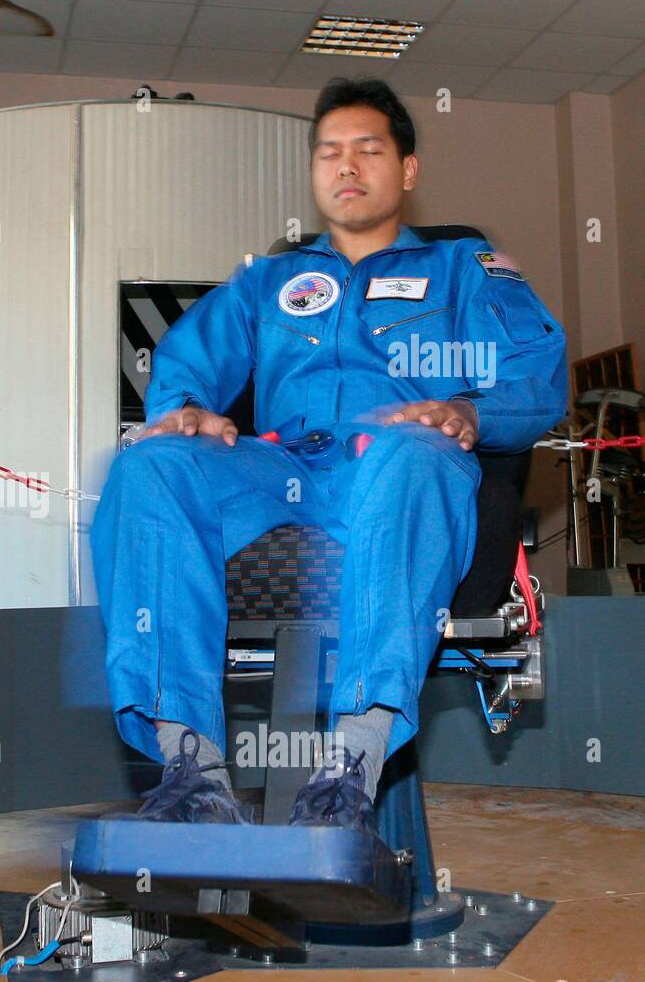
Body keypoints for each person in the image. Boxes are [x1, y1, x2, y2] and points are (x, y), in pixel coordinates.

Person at [90, 78, 567, 835]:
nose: (346, 166)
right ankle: (192, 769)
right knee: (149, 465)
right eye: (330, 153)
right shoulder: (270, 281)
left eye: (368, 150)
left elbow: (537, 376)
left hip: (401, 463)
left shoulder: (464, 266)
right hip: (286, 472)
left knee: (412, 450)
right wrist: (184, 408)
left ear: (407, 170)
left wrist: (470, 410)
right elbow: (189, 357)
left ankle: (351, 759)